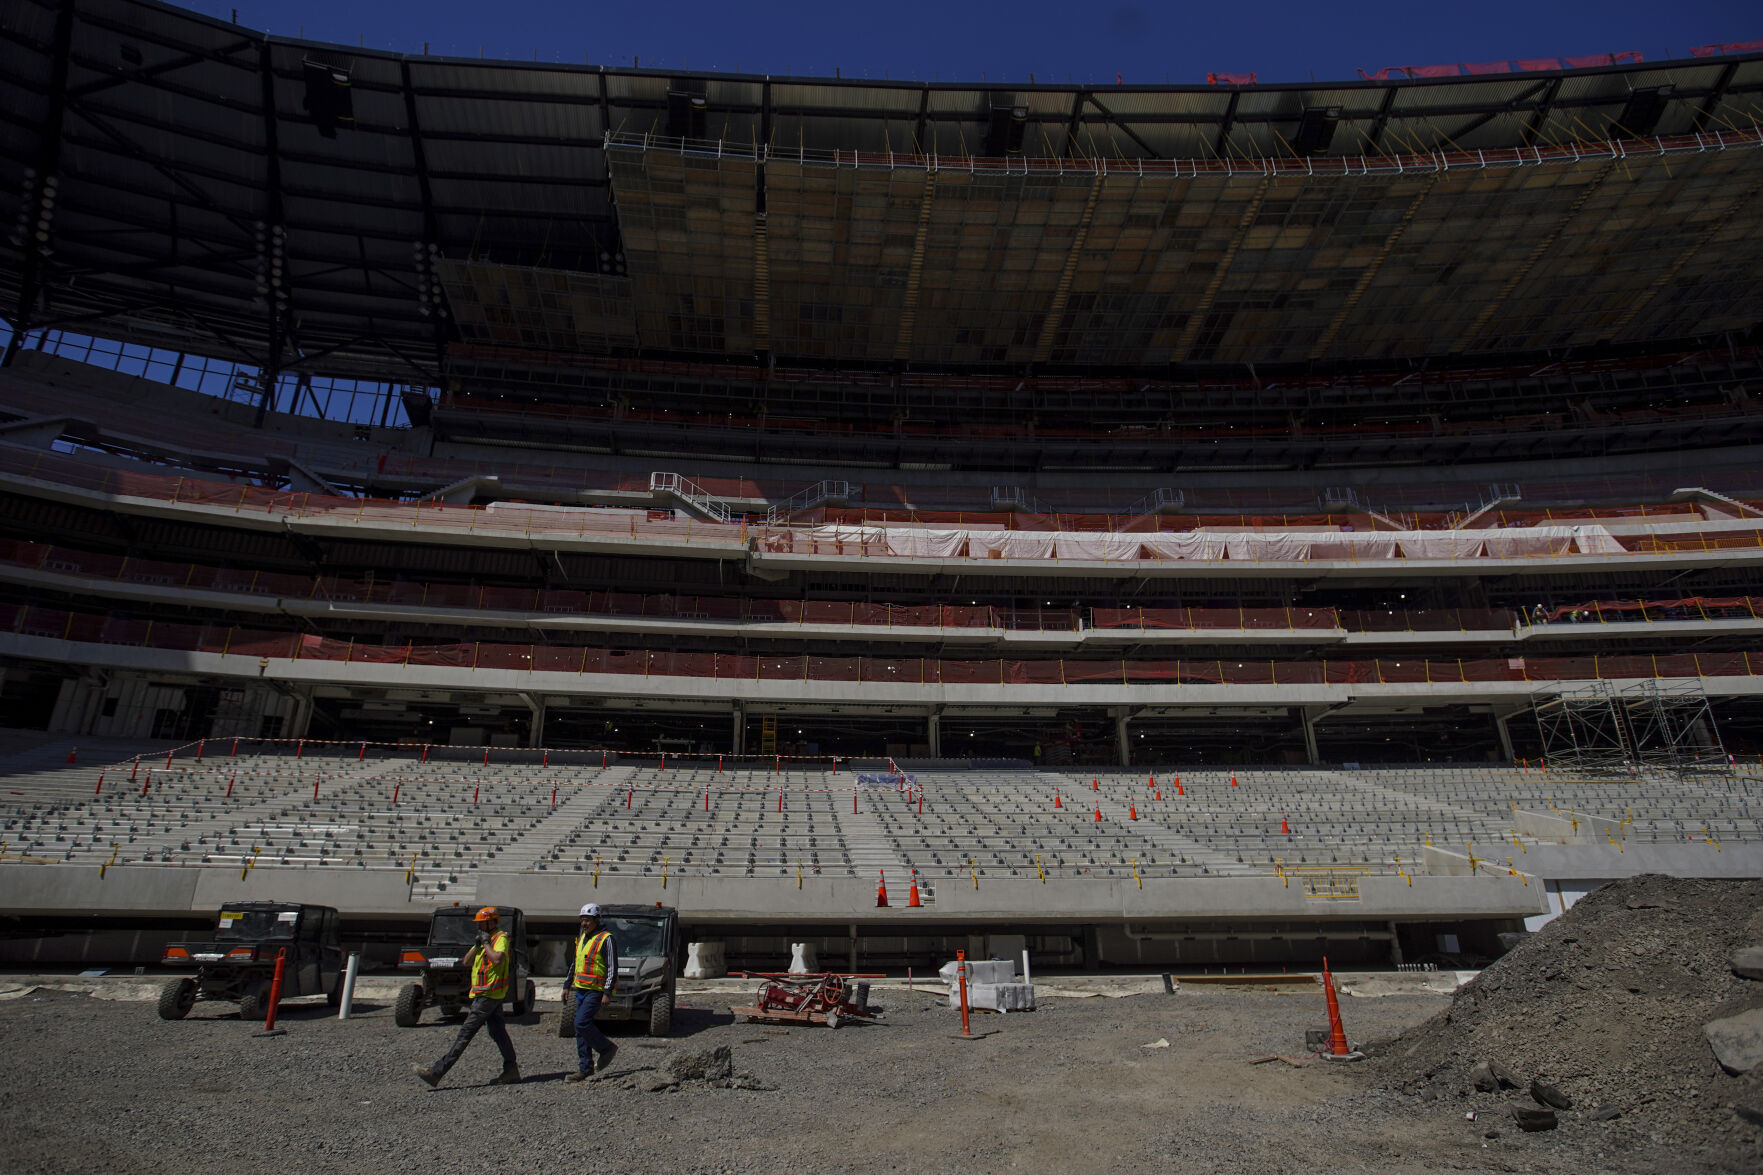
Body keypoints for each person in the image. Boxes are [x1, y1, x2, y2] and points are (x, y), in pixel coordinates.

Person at [412, 907, 519, 1088]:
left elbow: (498, 959)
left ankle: (436, 1072)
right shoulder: (485, 939)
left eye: (480, 924)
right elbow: (466, 962)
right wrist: (478, 945)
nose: (478, 927)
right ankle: (511, 1070)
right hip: (484, 994)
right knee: (498, 1032)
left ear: (491, 922)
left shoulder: (500, 938)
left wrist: (486, 944)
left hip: (489, 995)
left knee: (465, 1034)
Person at [564, 902, 620, 1083]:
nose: (584, 924)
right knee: (580, 1029)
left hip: (595, 991)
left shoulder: (607, 939)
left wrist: (607, 992)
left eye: (587, 920)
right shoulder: (582, 937)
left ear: (596, 920)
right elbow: (575, 963)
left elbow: (612, 967)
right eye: (582, 920)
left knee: (581, 1023)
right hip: (580, 988)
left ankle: (606, 1049)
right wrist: (566, 985)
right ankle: (585, 1068)